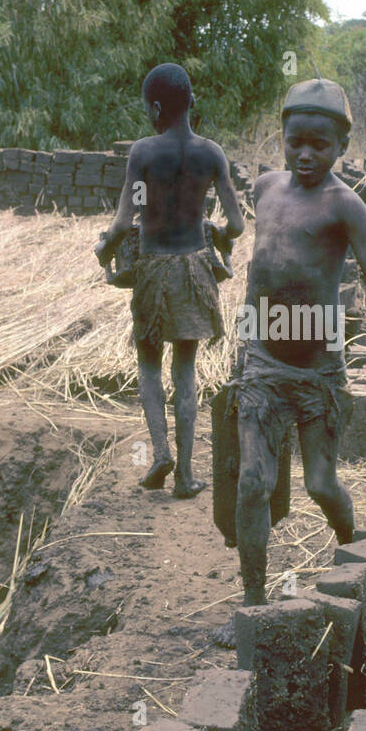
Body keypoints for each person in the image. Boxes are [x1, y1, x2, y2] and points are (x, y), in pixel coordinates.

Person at [228, 77, 366, 618]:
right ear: (280, 135)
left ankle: (352, 550)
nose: (305, 154)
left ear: (343, 147)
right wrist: (242, 349)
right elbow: (259, 272)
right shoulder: (263, 190)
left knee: (322, 484)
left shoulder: (344, 206)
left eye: (320, 145)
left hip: (318, 369)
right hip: (262, 360)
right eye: (295, 140)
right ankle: (253, 602)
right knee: (254, 482)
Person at [95, 63, 245, 498]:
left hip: (153, 269)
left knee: (147, 363)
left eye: (147, 107)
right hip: (195, 270)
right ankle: (185, 475)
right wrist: (217, 234)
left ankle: (160, 451)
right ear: (191, 102)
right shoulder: (212, 154)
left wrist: (104, 250)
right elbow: (235, 223)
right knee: (185, 370)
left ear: (156, 107)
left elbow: (124, 223)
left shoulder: (143, 152)